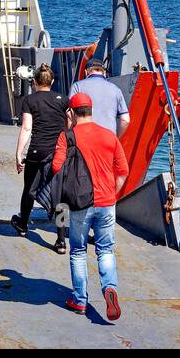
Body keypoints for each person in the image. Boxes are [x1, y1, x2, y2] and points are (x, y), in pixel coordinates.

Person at [52, 92, 128, 321]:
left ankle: (79, 300)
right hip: (107, 203)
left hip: (79, 205)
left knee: (78, 251)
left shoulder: (67, 137)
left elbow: (56, 168)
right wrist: (110, 195)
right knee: (105, 249)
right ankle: (109, 288)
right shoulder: (109, 136)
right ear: (91, 110)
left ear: (72, 113)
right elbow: (123, 172)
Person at [10, 64, 68, 253]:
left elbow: (27, 128)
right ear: (51, 81)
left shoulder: (30, 100)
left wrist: (19, 153)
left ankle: (23, 225)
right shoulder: (63, 100)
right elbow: (68, 124)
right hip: (58, 152)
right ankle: (60, 239)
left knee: (29, 189)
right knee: (60, 197)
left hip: (37, 152)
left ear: (34, 82)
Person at [69, 57, 130, 137]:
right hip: (109, 139)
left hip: (84, 138)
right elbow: (125, 120)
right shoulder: (116, 89)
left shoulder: (77, 86)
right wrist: (115, 138)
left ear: (86, 72)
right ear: (104, 73)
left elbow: (70, 114)